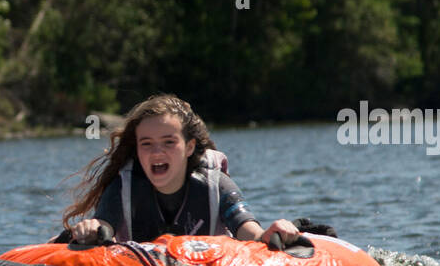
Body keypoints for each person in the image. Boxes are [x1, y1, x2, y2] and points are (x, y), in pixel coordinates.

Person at [62, 94, 301, 245]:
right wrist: (92, 228)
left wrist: (270, 234)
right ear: (137, 150)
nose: (157, 153)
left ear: (189, 147)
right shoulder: (123, 187)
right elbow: (103, 225)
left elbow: (249, 231)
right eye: (147, 144)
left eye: (169, 142)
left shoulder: (215, 185)